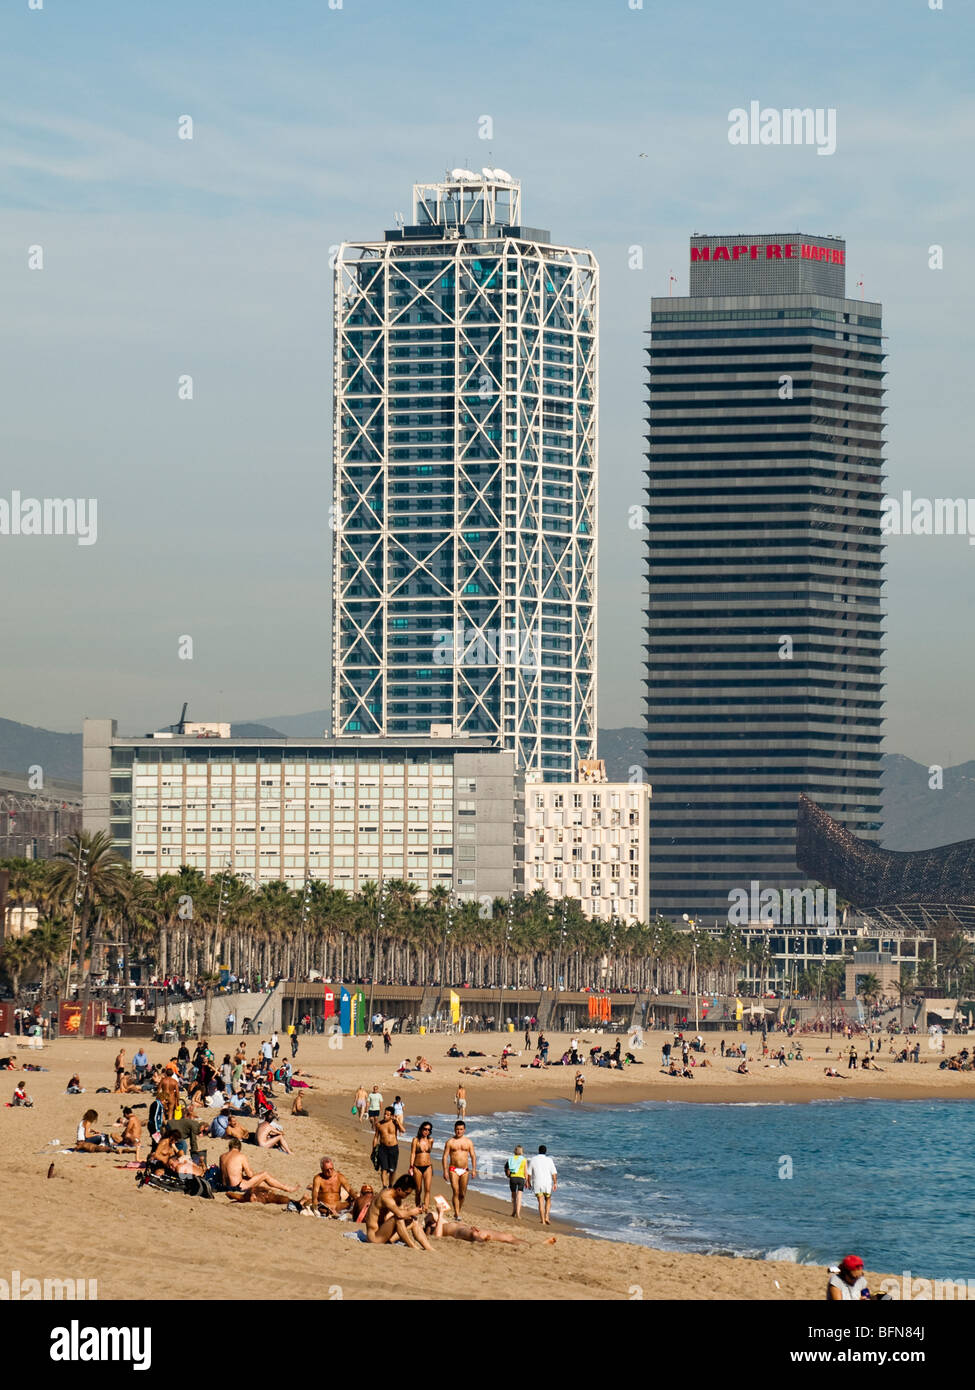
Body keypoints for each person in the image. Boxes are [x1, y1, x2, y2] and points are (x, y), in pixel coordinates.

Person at [219, 1137, 299, 1204]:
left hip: (225, 1186)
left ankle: (275, 1189)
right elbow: (250, 1174)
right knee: (264, 1174)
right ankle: (287, 1188)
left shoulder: (222, 1156)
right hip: (237, 1187)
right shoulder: (241, 1156)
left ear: (229, 1147)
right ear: (239, 1148)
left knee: (260, 1182)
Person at [364, 1174, 431, 1248]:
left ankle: (429, 1248)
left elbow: (392, 1217)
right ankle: (413, 1246)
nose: (407, 1196)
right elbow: (399, 1215)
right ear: (399, 1189)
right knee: (399, 1218)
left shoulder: (397, 1198)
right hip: (374, 1238)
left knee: (413, 1221)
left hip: (384, 1234)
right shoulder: (386, 1196)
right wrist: (413, 1211)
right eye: (407, 1193)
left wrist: (408, 1212)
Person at [442, 1119, 477, 1219]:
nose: (459, 1131)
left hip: (465, 1170)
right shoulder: (450, 1142)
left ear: (464, 1130)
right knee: (456, 1191)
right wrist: (445, 1171)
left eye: (461, 1129)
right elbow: (445, 1156)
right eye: (457, 1129)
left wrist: (474, 1169)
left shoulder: (468, 1142)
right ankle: (457, 1213)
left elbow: (473, 1156)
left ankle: (458, 1210)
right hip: (453, 1169)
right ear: (454, 1129)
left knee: (462, 1194)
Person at [527, 1144, 557, 1225]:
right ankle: (547, 1217)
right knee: (548, 1199)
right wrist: (555, 1183)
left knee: (540, 1201)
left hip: (537, 1183)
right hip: (547, 1183)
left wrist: (528, 1182)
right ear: (545, 1151)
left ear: (538, 1151)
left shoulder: (533, 1159)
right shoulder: (549, 1160)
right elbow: (554, 1173)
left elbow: (529, 1173)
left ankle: (543, 1221)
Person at [372, 1107, 402, 1187]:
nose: (385, 1116)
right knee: (384, 1169)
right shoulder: (379, 1124)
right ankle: (384, 1186)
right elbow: (376, 1137)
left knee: (392, 1170)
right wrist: (374, 1149)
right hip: (383, 1148)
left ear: (392, 1116)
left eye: (387, 1115)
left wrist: (398, 1121)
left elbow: (403, 1130)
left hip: (393, 1148)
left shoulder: (394, 1123)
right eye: (384, 1114)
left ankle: (391, 1185)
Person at [409, 1122, 435, 1209]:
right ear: (421, 1129)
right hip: (417, 1167)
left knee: (427, 1189)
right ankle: (417, 1206)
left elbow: (428, 1153)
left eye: (428, 1130)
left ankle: (426, 1207)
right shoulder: (415, 1140)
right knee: (418, 1190)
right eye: (425, 1129)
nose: (426, 1131)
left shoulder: (431, 1140)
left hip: (428, 1167)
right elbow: (413, 1153)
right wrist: (411, 1167)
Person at [504, 1144, 527, 1218]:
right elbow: (525, 1171)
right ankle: (518, 1213)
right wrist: (526, 1180)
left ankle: (513, 1211)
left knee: (513, 1196)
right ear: (521, 1151)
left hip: (513, 1178)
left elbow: (507, 1168)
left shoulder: (511, 1159)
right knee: (519, 1197)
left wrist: (508, 1176)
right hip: (521, 1178)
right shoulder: (524, 1159)